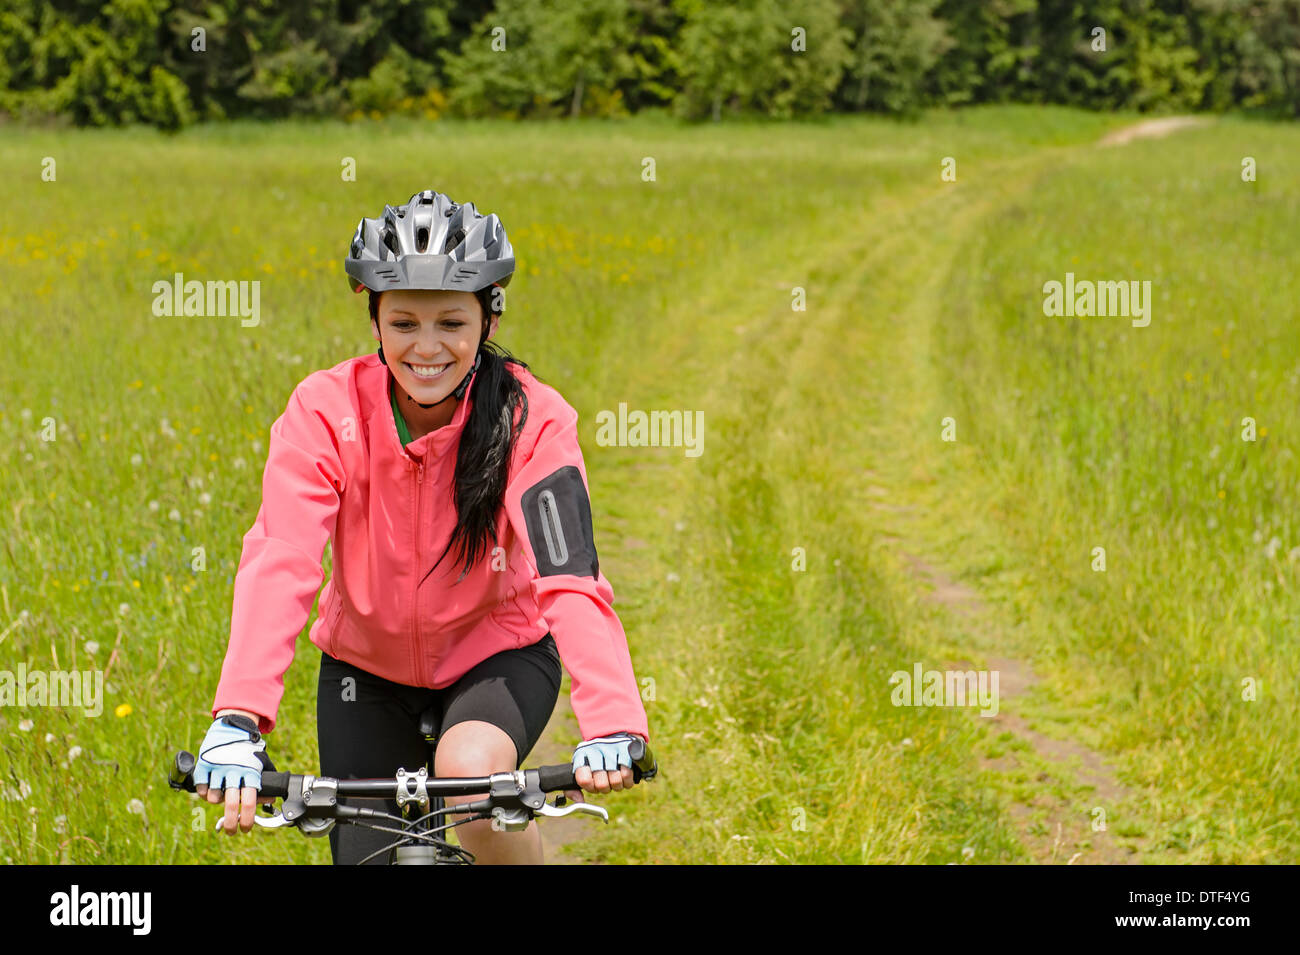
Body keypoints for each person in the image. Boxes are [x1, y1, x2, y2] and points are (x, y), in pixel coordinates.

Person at [192, 189, 651, 864]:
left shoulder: (533, 418)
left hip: (497, 657)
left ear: (487, 320)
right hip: (363, 672)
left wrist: (610, 718)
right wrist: (238, 717)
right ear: (374, 317)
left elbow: (568, 571)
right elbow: (282, 557)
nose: (427, 348)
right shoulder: (324, 411)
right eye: (404, 322)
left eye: (451, 323)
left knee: (472, 781)